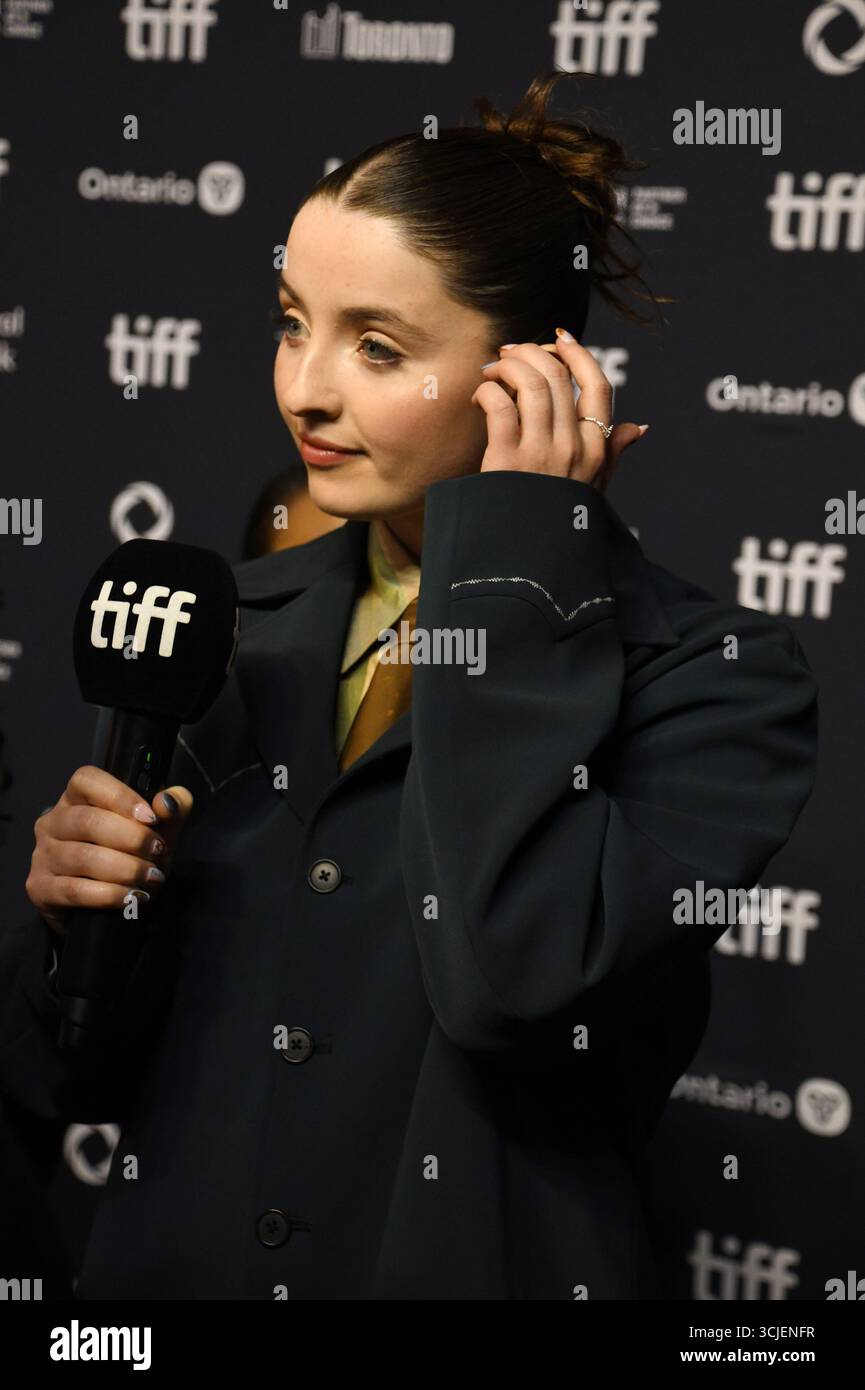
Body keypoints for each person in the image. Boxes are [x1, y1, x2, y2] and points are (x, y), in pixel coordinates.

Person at [3, 72, 817, 1300]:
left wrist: (517, 562)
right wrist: (81, 922)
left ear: (527, 375)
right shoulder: (233, 629)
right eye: (290, 321)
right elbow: (80, 1081)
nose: (304, 389)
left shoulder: (713, 679)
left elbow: (508, 984)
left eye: (376, 346)